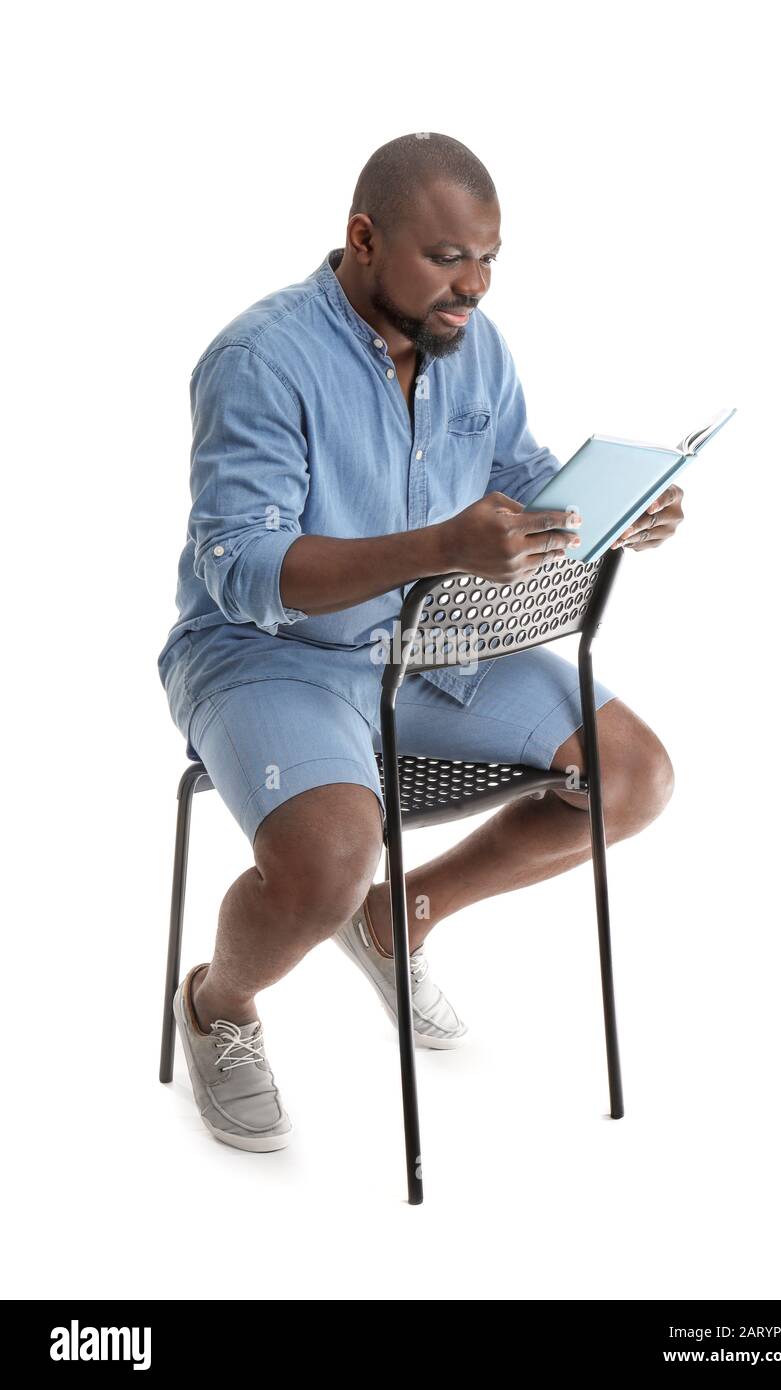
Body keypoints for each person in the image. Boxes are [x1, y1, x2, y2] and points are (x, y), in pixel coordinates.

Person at [159, 132, 682, 1152]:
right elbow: (245, 568)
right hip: (269, 654)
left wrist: (615, 513)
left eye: (487, 258)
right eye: (447, 257)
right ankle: (218, 1005)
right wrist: (442, 545)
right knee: (330, 859)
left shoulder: (469, 341)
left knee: (634, 776)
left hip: (430, 643)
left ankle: (400, 917)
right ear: (363, 238)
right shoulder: (259, 360)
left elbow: (518, 476)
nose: (473, 285)